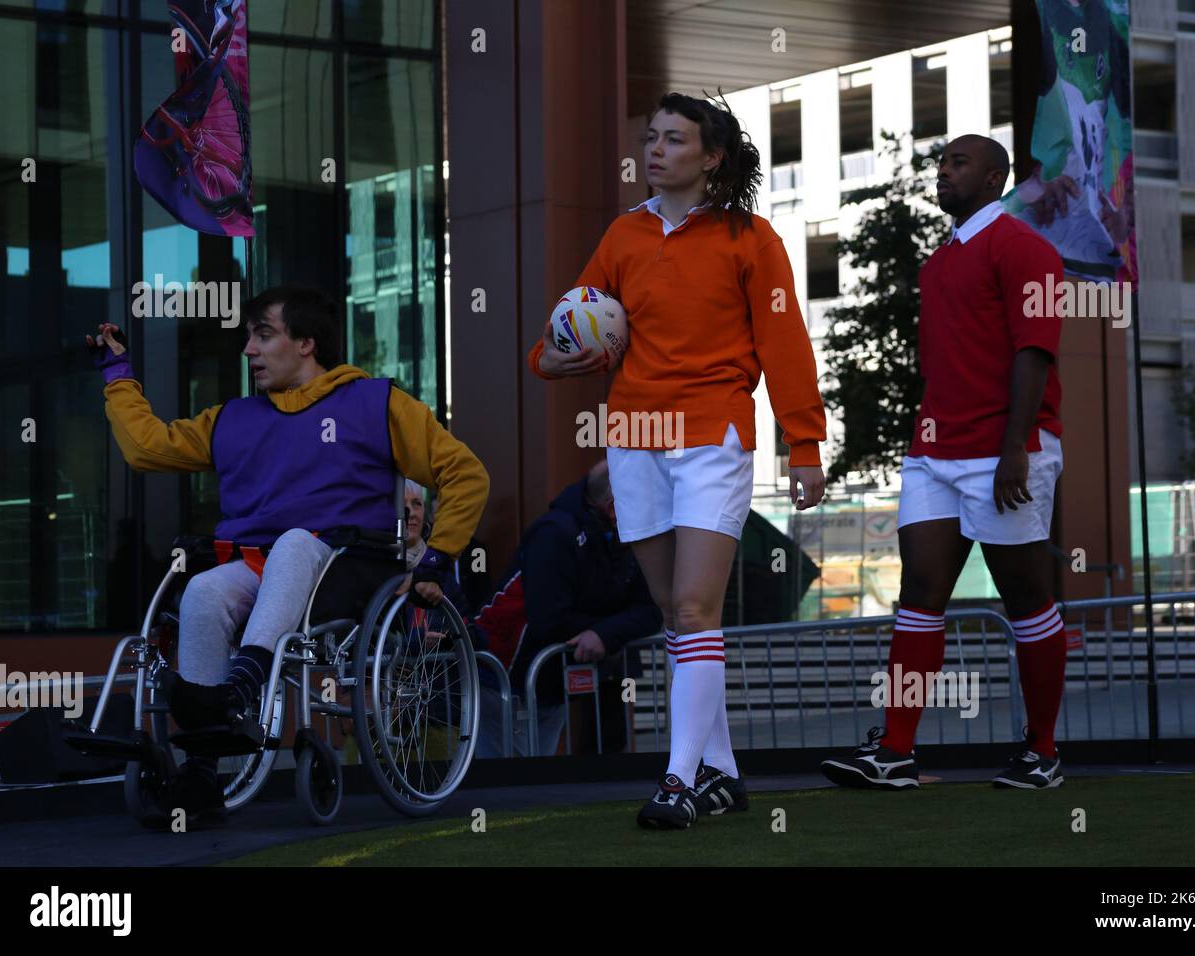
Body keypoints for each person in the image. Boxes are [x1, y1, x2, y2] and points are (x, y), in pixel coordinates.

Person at [528, 92, 827, 828]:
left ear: (712, 157)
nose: (655, 150)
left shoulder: (752, 238)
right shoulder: (623, 234)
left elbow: (785, 344)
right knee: (673, 612)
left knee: (694, 607)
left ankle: (677, 780)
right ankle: (723, 772)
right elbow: (565, 329)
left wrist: (804, 444)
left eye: (673, 139)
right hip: (632, 435)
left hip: (712, 435)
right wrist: (551, 361)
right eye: (651, 138)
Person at [86, 286, 489, 822]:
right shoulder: (234, 418)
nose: (248, 349)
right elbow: (147, 448)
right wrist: (117, 374)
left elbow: (465, 473)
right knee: (203, 589)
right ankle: (203, 766)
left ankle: (241, 686)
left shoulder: (376, 403)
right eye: (249, 337)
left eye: (263, 335)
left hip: (350, 570)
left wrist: (437, 559)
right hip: (262, 566)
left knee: (297, 542)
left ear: (306, 343)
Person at [819, 134, 1067, 791]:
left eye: (958, 163)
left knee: (1026, 597)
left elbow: (1035, 351)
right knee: (920, 594)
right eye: (941, 163)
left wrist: (1014, 447)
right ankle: (895, 750)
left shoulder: (1027, 249)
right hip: (934, 450)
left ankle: (1042, 751)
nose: (943, 172)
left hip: (1007, 449)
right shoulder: (938, 262)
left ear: (993, 178)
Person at [473, 459, 662, 758]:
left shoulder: (630, 537)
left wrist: (604, 634)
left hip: (549, 679)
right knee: (507, 777)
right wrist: (607, 630)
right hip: (504, 677)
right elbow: (548, 617)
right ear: (614, 508)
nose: (652, 509)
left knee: (538, 773)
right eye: (644, 499)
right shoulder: (554, 534)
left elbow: (653, 609)